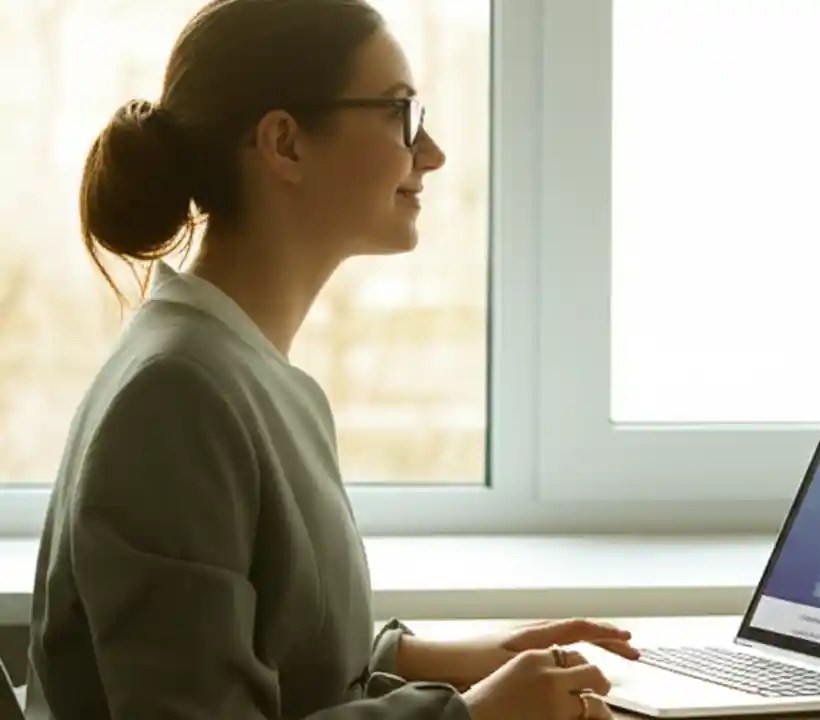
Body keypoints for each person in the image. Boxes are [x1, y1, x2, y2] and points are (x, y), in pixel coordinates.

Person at [24, 1, 639, 718]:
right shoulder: (175, 396)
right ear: (285, 144)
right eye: (400, 112)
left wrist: (440, 660)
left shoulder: (250, 376)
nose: (432, 152)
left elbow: (279, 649)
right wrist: (470, 716)